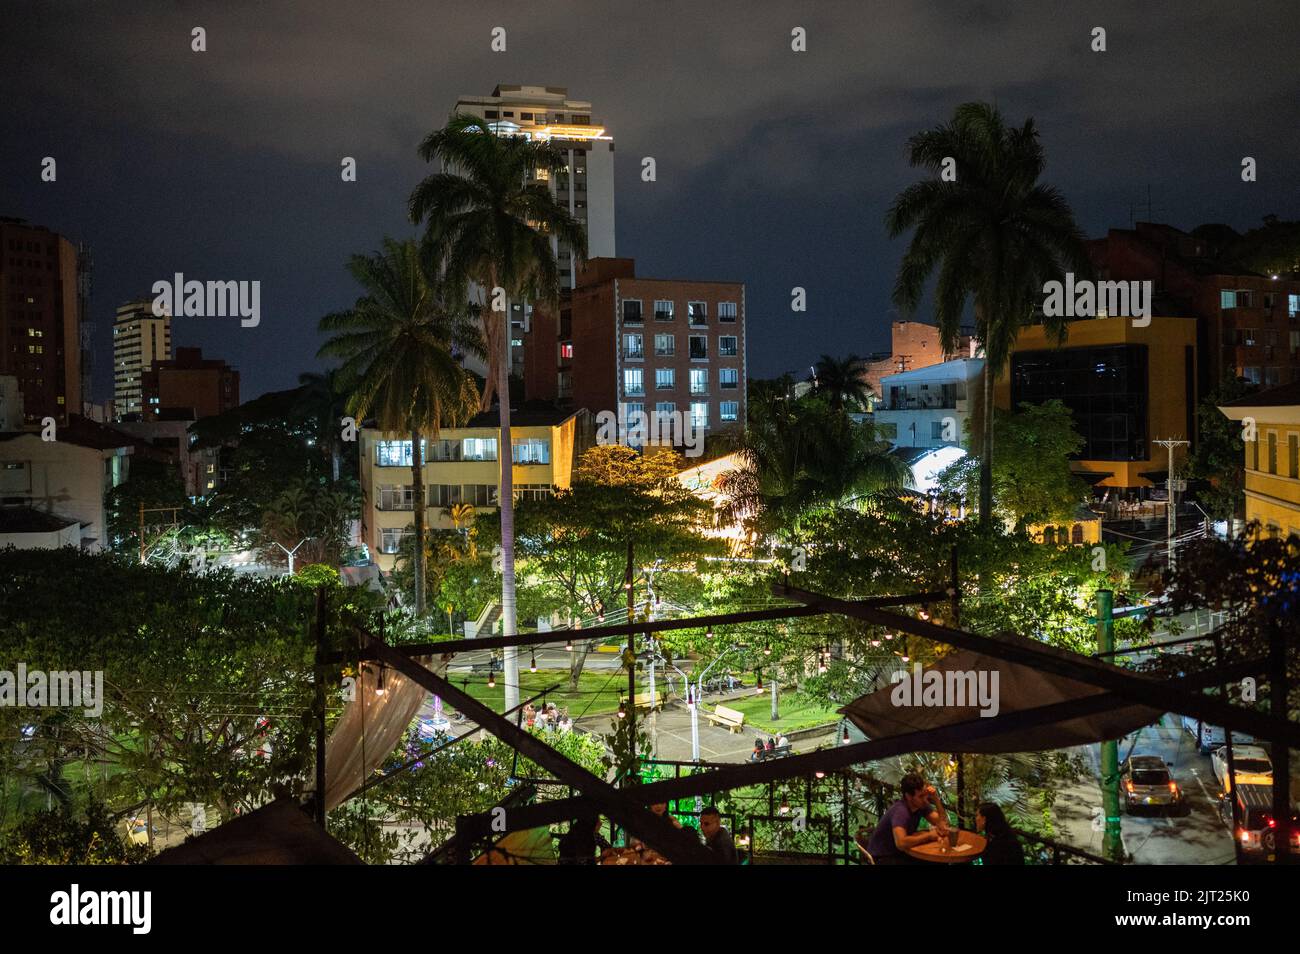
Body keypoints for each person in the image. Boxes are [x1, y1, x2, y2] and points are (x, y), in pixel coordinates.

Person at [864, 773, 949, 864]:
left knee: (938, 862)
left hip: (899, 853)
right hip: (882, 857)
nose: (925, 799)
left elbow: (941, 823)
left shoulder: (921, 805)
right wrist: (929, 836)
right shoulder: (901, 811)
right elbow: (901, 843)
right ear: (908, 796)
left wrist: (935, 799)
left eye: (925, 795)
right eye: (920, 796)